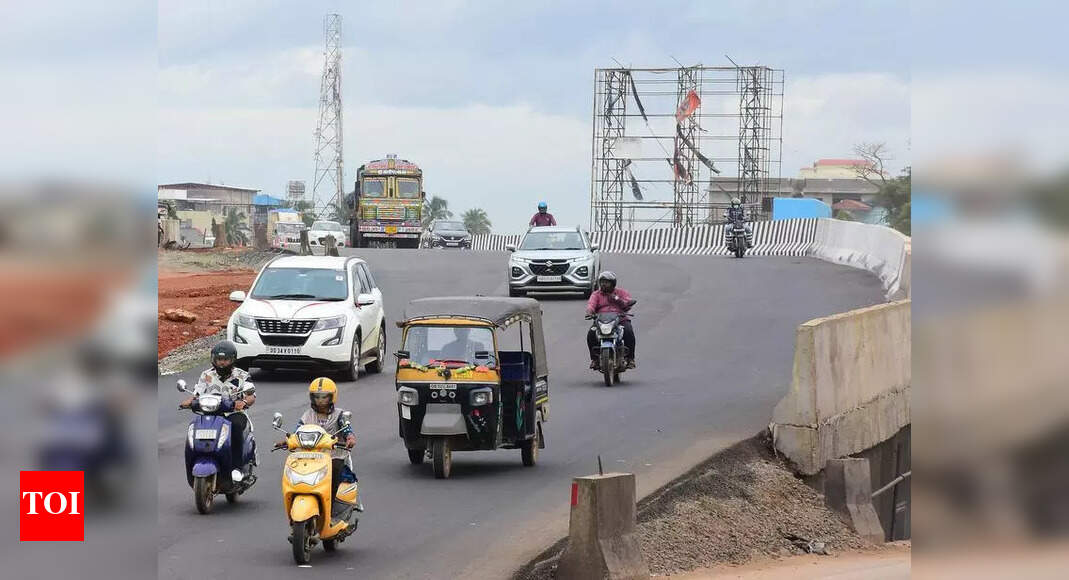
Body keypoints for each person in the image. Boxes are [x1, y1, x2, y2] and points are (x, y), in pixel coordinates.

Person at [283, 377, 357, 516]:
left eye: (324, 397)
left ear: (332, 397)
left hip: (334, 456)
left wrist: (350, 437)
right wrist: (287, 441)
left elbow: (347, 429)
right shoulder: (308, 415)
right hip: (310, 456)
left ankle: (332, 505)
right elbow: (297, 431)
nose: (320, 401)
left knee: (336, 470)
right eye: (317, 397)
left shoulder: (339, 415)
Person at [179, 340, 256, 471]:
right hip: (210, 414)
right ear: (213, 359)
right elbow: (197, 394)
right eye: (219, 359)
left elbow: (251, 395)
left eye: (225, 360)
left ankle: (237, 468)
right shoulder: (206, 375)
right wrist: (188, 402)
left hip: (233, 414)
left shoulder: (242, 375)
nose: (221, 363)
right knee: (194, 427)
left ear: (232, 359)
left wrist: (243, 403)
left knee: (236, 427)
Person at [585, 271, 637, 369]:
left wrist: (617, 299)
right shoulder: (596, 294)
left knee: (629, 331)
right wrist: (589, 312)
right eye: (602, 282)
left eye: (606, 282)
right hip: (601, 320)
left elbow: (627, 304)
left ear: (613, 283)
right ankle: (595, 359)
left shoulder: (621, 292)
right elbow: (591, 305)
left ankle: (630, 359)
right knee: (591, 334)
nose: (603, 284)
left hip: (620, 319)